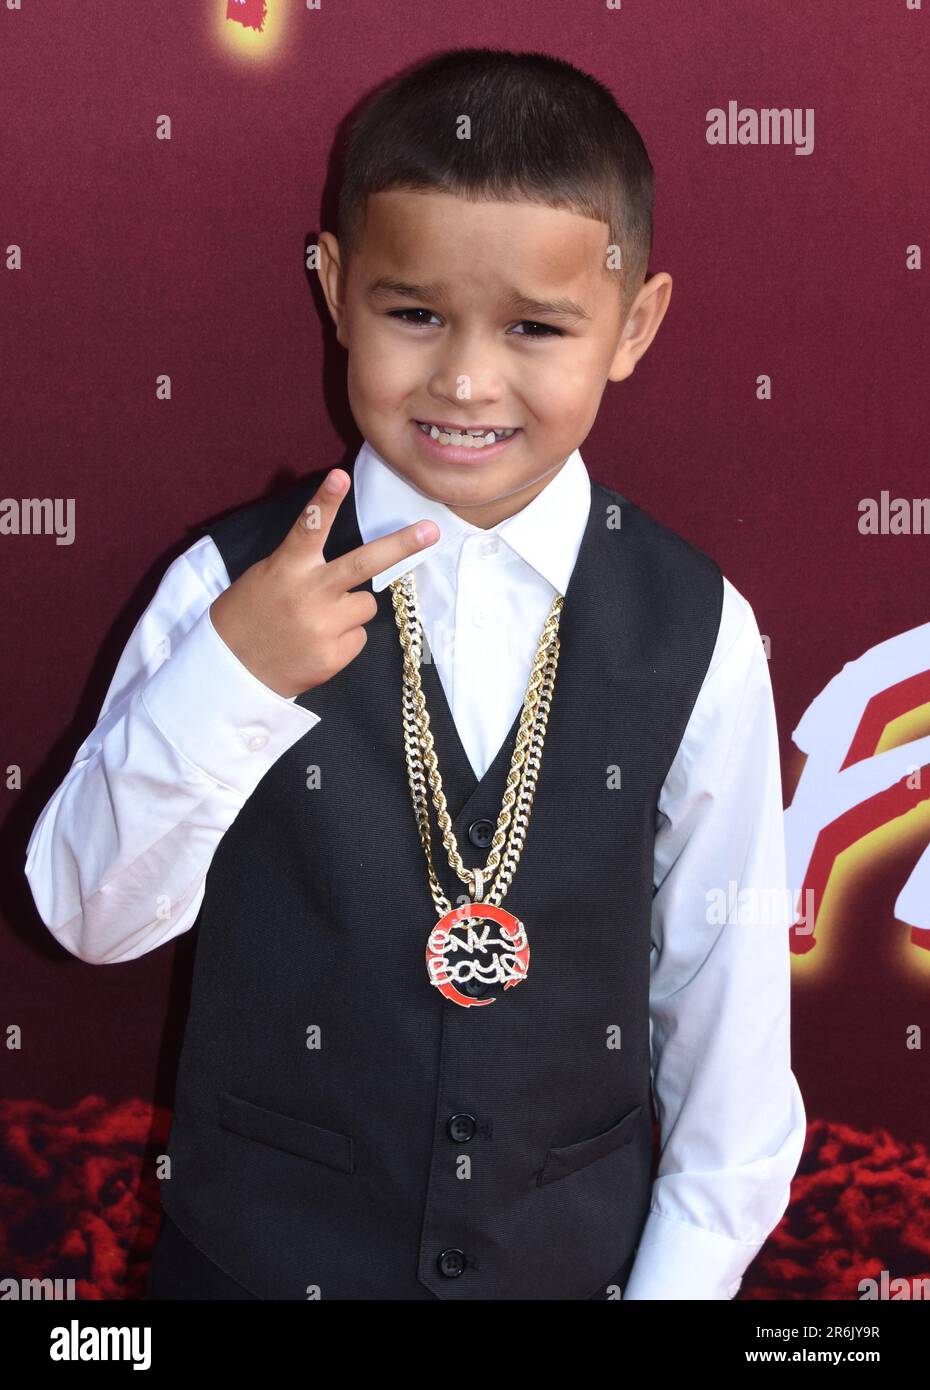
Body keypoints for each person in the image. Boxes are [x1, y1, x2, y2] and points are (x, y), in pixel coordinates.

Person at [25, 47, 806, 1300]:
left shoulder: (697, 626)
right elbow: (86, 914)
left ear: (635, 325)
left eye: (536, 326)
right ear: (335, 289)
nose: (464, 380)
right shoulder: (223, 592)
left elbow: (728, 1039)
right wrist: (234, 675)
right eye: (415, 312)